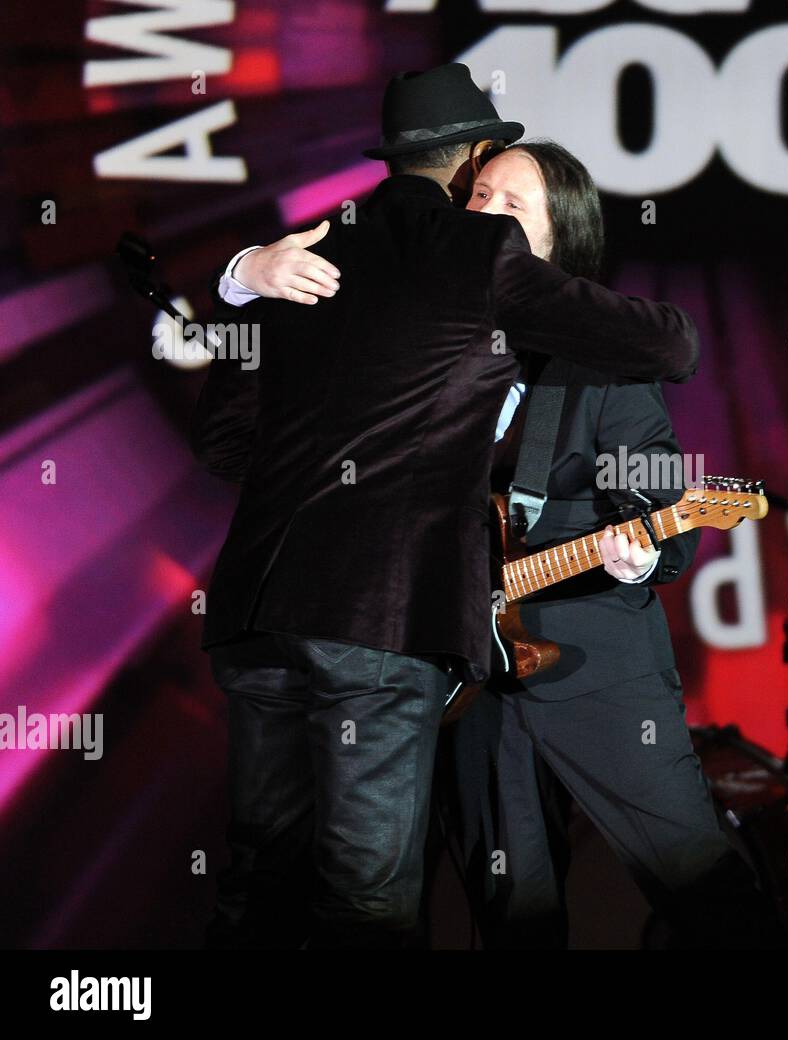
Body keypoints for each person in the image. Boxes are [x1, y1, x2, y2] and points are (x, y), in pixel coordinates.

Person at [191, 64, 699, 950]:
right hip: (386, 631)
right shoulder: (459, 260)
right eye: (488, 189)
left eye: (515, 208)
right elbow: (674, 340)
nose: (490, 214)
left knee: (263, 889)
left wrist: (240, 276)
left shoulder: (309, 258)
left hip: (269, 621)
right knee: (372, 903)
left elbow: (228, 444)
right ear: (470, 163)